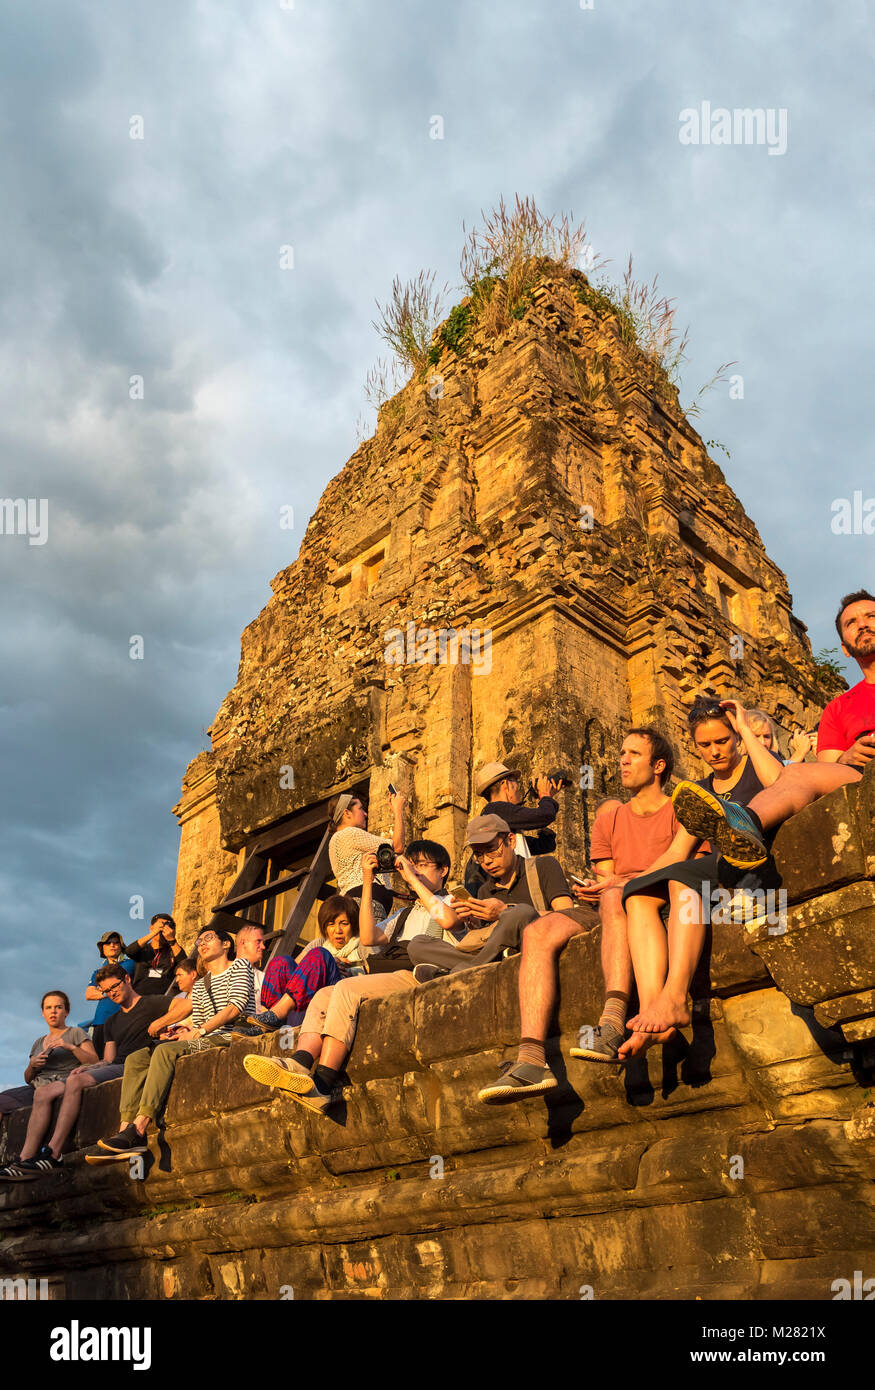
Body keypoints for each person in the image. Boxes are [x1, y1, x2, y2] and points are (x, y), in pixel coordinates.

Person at [615, 695, 785, 1060]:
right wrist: (627, 884)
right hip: (722, 869)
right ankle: (652, 1007)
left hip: (759, 864)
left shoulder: (759, 768)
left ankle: (676, 996)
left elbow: (781, 781)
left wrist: (744, 727)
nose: (715, 751)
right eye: (704, 745)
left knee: (681, 881)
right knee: (638, 895)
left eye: (722, 741)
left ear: (736, 737)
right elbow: (678, 852)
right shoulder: (701, 789)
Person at [241, 842, 460, 1113]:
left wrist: (413, 880)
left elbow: (448, 921)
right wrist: (368, 879)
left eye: (424, 865)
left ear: (444, 870)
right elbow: (368, 936)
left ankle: (323, 1083)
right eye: (414, 865)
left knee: (344, 989)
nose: (417, 871)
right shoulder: (404, 915)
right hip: (392, 973)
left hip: (422, 972)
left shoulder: (454, 900)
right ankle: (299, 1060)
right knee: (324, 994)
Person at [669, 591, 875, 876]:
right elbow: (829, 772)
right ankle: (744, 823)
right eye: (852, 622)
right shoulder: (838, 708)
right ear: (844, 647)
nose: (862, 624)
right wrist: (850, 755)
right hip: (864, 778)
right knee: (797, 774)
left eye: (871, 616)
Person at [568, 728, 692, 1064]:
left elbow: (691, 866)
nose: (623, 760)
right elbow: (605, 878)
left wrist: (621, 880)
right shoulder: (608, 820)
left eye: (634, 754)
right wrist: (609, 884)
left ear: (658, 766)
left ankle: (625, 1018)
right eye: (622, 752)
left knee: (620, 893)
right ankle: (611, 1021)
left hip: (670, 891)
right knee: (612, 896)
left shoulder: (681, 809)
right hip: (623, 901)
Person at [460, 817, 595, 1103]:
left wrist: (505, 911)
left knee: (518, 914)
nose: (486, 861)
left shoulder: (543, 866)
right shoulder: (485, 891)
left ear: (510, 841)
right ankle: (454, 966)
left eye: (492, 850)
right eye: (479, 854)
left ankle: (460, 970)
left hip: (539, 939)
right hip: (500, 948)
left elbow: (566, 914)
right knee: (419, 946)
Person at [93, 926, 255, 1157]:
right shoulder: (200, 984)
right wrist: (182, 1030)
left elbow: (234, 1008)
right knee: (136, 1058)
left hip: (230, 1036)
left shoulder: (239, 965)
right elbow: (197, 1020)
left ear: (226, 944)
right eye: (199, 941)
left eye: (209, 938)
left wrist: (197, 1032)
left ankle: (139, 1128)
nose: (202, 943)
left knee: (164, 1053)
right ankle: (124, 1128)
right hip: (206, 1037)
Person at [0, 969, 170, 1177]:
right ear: (42, 1012)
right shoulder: (111, 1021)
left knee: (70, 1082)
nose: (111, 993)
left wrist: (161, 1023)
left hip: (136, 1063)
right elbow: (106, 1060)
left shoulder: (151, 1003)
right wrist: (90, 1067)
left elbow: (186, 1005)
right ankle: (26, 1160)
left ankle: (53, 1154)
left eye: (114, 987)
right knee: (58, 1084)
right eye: (106, 991)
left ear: (127, 979)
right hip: (111, 1066)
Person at [0, 992, 98, 1179]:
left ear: (66, 1012)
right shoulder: (38, 1042)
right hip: (38, 1084)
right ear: (43, 1013)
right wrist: (32, 1065)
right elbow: (28, 1078)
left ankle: (24, 1159)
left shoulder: (76, 1033)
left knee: (42, 1093)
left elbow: (94, 1061)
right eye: (49, 1008)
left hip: (64, 1080)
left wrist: (70, 1047)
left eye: (58, 1007)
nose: (53, 1011)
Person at [463, 762, 562, 893]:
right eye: (516, 783)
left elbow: (545, 845)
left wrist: (546, 799)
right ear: (506, 784)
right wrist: (544, 795)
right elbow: (545, 815)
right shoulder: (495, 809)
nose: (518, 791)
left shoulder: (505, 828)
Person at [327, 790, 406, 923]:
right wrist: (398, 811)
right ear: (347, 813)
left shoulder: (335, 840)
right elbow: (397, 847)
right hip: (367, 902)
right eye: (360, 808)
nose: (365, 813)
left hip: (356, 901)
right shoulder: (350, 833)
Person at [85, 932, 136, 1058]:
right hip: (99, 1022)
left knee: (116, 1062)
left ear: (121, 946)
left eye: (116, 942)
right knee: (100, 1063)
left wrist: (102, 990)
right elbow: (89, 994)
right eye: (108, 943)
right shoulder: (98, 971)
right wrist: (107, 991)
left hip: (120, 1019)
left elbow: (116, 983)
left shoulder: (129, 964)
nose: (112, 945)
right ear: (102, 947)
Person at [124, 914, 185, 996]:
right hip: (140, 998)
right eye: (162, 924)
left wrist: (172, 940)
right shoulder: (143, 949)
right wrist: (153, 933)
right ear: (151, 928)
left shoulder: (173, 949)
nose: (164, 928)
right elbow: (129, 951)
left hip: (163, 999)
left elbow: (185, 963)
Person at [146, 956, 200, 1040]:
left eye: (180, 975)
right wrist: (167, 1033)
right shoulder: (178, 998)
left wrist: (186, 1029)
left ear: (193, 974)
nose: (177, 980)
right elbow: (170, 1025)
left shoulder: (205, 993)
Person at [746, 710, 814, 764]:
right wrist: (800, 752)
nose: (763, 742)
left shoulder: (773, 760)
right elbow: (779, 776)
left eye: (767, 737)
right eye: (756, 736)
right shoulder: (741, 764)